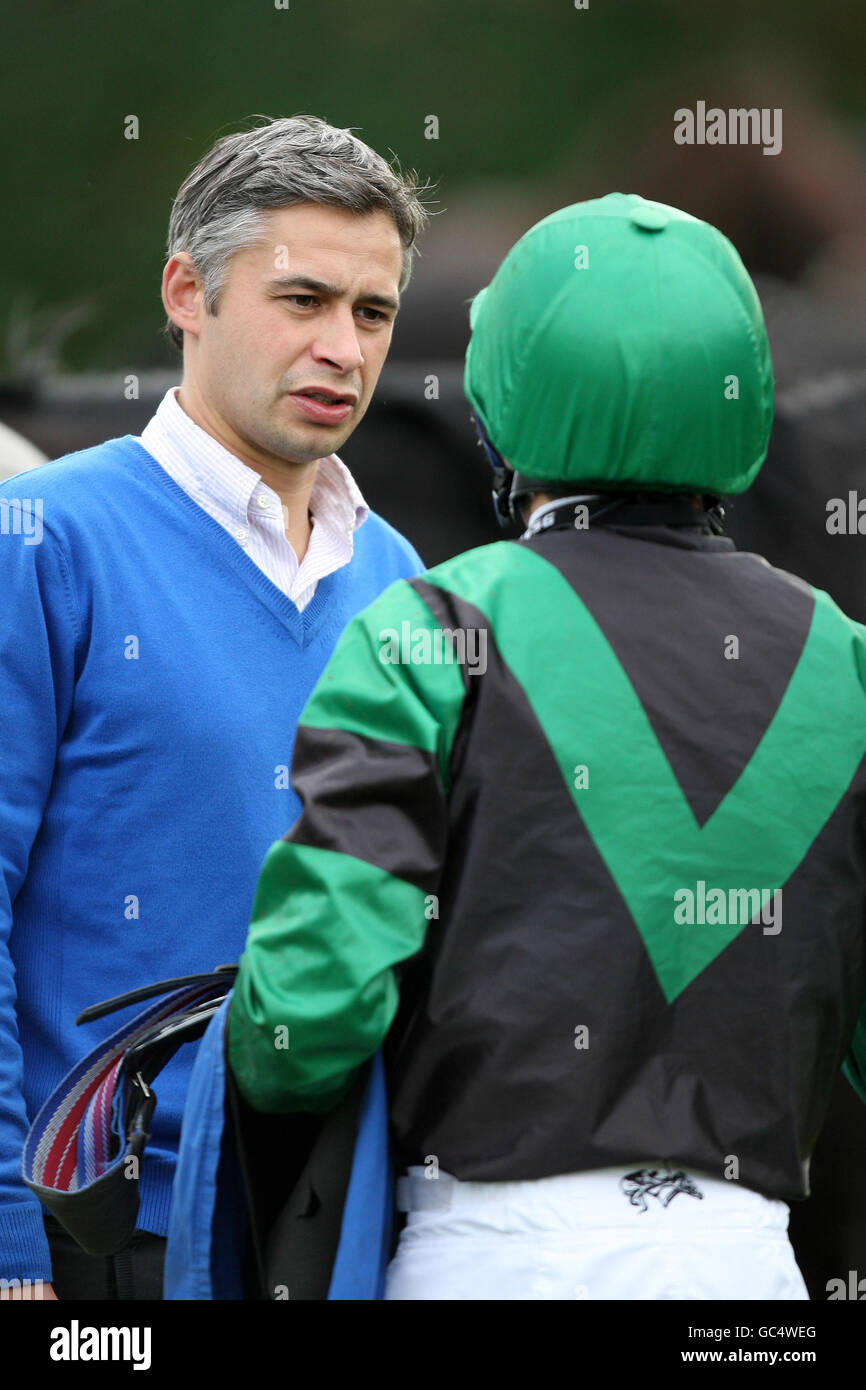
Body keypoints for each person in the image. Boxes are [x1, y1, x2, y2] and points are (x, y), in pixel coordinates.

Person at [227, 192, 866, 1300]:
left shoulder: (426, 630)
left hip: (485, 1255)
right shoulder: (846, 661)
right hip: (748, 1270)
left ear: (502, 404)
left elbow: (306, 1020)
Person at [0, 114, 429, 1301]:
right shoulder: (42, 542)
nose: (342, 346)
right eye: (301, 299)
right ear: (187, 292)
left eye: (372, 312)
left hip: (337, 1232)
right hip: (98, 1239)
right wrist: (5, 1242)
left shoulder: (406, 581)